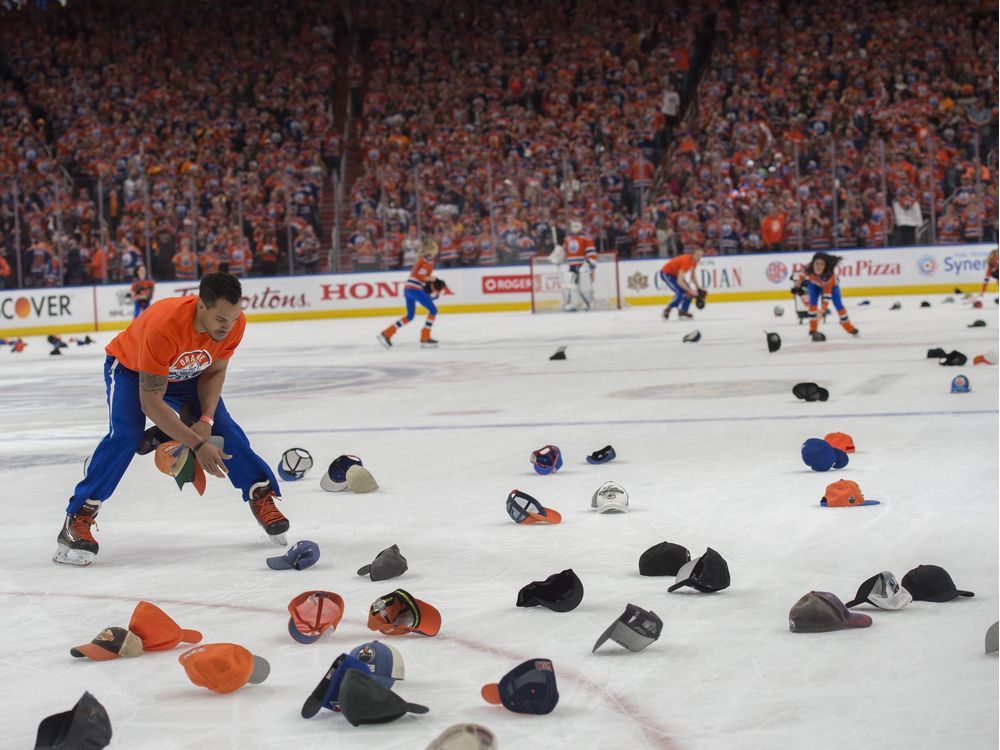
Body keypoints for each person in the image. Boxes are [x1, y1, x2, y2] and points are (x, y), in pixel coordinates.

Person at [54, 273, 289, 566]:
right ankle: (78, 516)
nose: (227, 327)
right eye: (219, 319)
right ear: (201, 306)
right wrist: (199, 443)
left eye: (233, 318)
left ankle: (259, 493)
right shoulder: (165, 325)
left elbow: (214, 372)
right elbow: (150, 401)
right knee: (125, 436)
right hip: (132, 371)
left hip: (187, 376)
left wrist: (205, 419)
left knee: (223, 425)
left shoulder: (233, 324)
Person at [377, 238, 441, 349]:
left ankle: (387, 333)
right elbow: (421, 276)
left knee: (410, 316)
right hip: (415, 289)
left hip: (408, 289)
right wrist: (432, 278)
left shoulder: (422, 260)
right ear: (431, 250)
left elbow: (418, 275)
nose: (437, 250)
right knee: (433, 310)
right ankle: (425, 337)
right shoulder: (427, 262)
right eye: (435, 248)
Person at [800, 252, 858, 341]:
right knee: (812, 304)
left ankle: (848, 326)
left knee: (838, 304)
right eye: (817, 264)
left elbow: (826, 296)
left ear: (825, 266)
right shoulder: (808, 269)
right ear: (812, 264)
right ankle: (813, 329)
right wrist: (798, 284)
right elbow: (800, 277)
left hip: (832, 286)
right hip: (814, 284)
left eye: (822, 264)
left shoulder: (828, 276)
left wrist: (822, 311)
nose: (819, 267)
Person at [558, 220, 599, 311]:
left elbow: (591, 252)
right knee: (570, 285)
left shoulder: (586, 238)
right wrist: (558, 256)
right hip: (571, 266)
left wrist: (591, 262)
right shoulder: (567, 238)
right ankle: (572, 303)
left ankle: (588, 302)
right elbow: (564, 252)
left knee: (584, 286)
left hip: (583, 265)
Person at [658, 248, 703, 319]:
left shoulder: (695, 261)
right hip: (667, 273)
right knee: (681, 293)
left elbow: (693, 276)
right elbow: (679, 281)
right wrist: (690, 290)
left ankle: (683, 311)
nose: (699, 257)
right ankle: (667, 310)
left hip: (676, 275)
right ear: (693, 255)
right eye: (697, 255)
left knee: (689, 292)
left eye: (700, 255)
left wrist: (698, 288)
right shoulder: (687, 261)